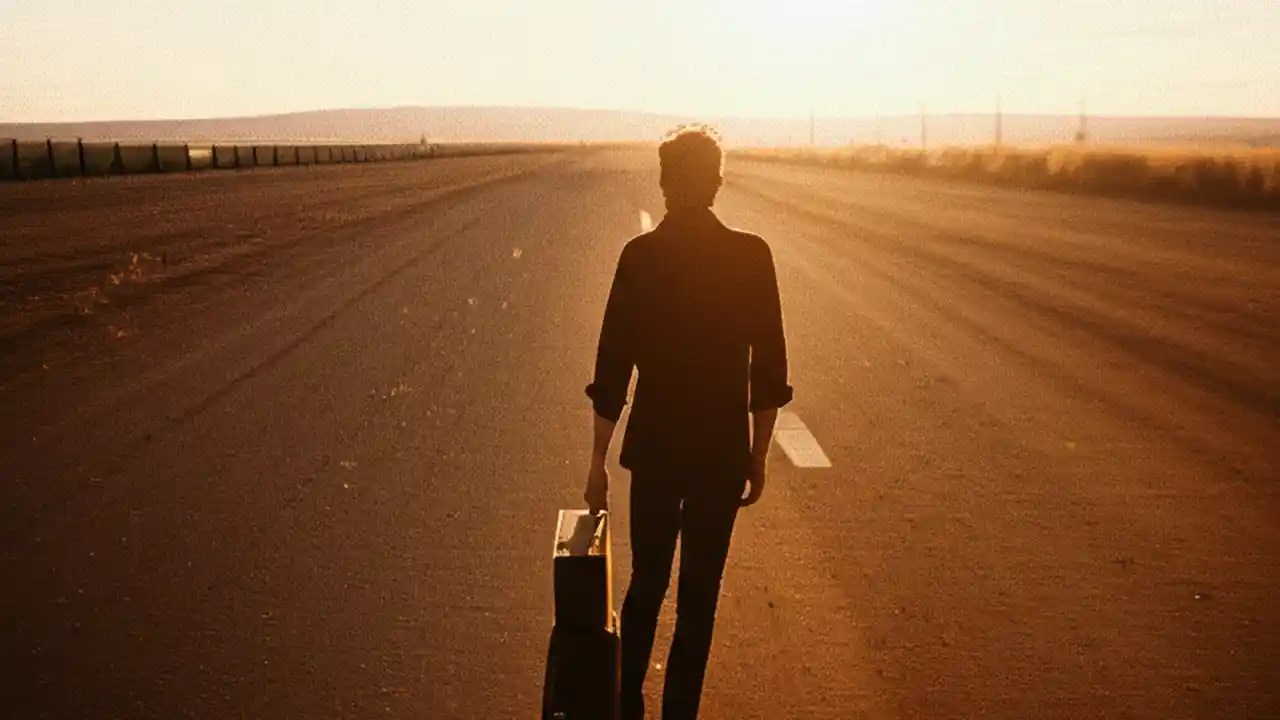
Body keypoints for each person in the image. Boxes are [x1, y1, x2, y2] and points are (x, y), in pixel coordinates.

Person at [583, 125, 793, 720]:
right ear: (718, 182)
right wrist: (757, 455)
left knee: (647, 583)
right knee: (699, 598)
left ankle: (627, 706)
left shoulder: (640, 256)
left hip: (654, 451)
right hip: (719, 454)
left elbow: (611, 366)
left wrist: (597, 463)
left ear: (663, 182)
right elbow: (769, 367)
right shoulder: (752, 256)